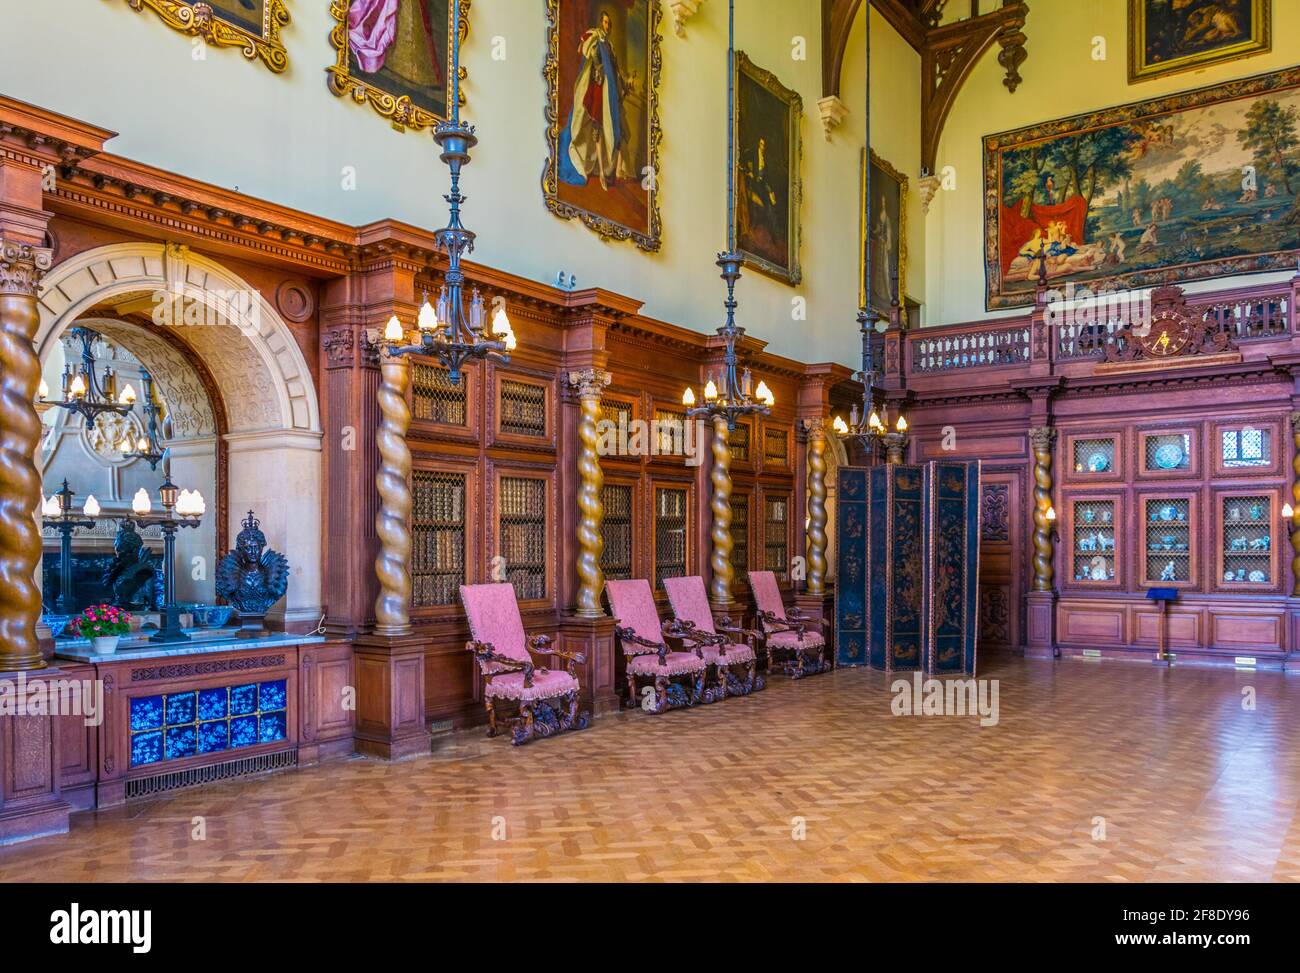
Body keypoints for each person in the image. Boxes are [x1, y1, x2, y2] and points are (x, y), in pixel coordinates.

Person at [558, 10, 634, 190]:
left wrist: (625, 82)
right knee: (597, 129)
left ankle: (615, 172)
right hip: (599, 88)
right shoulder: (596, 37)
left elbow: (615, 70)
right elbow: (584, 45)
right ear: (601, 23)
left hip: (611, 92)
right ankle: (601, 172)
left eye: (609, 23)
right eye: (605, 22)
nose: (607, 26)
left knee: (618, 131)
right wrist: (586, 47)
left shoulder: (610, 46)